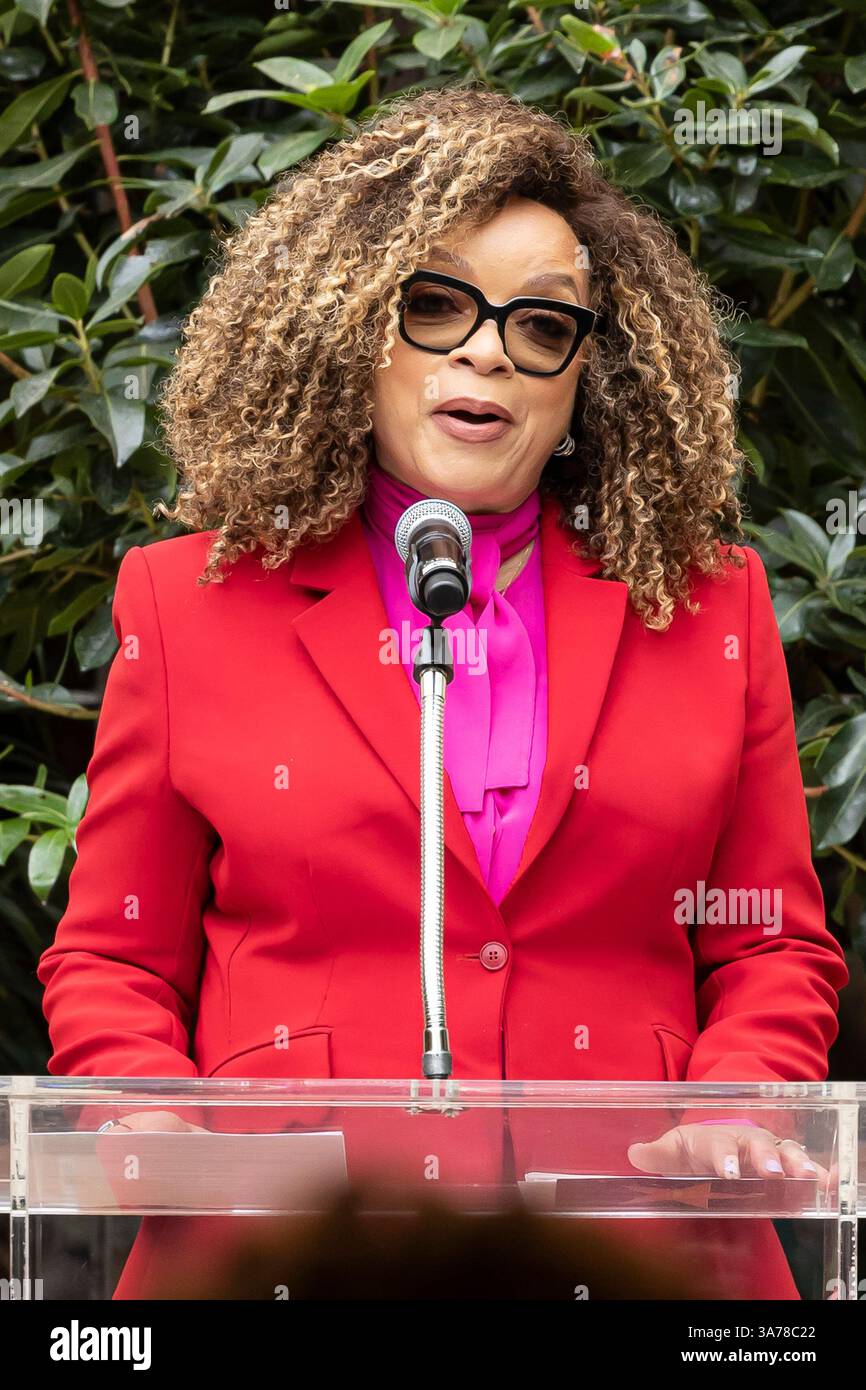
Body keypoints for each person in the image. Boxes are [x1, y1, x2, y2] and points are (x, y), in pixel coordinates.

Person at [37, 84, 848, 1301]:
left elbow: (770, 942)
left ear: (585, 379)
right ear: (351, 333)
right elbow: (115, 958)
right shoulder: (186, 602)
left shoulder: (708, 605)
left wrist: (733, 1108)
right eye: (433, 305)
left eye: (540, 327)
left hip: (637, 1254)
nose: (484, 348)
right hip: (288, 1249)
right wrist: (151, 1127)